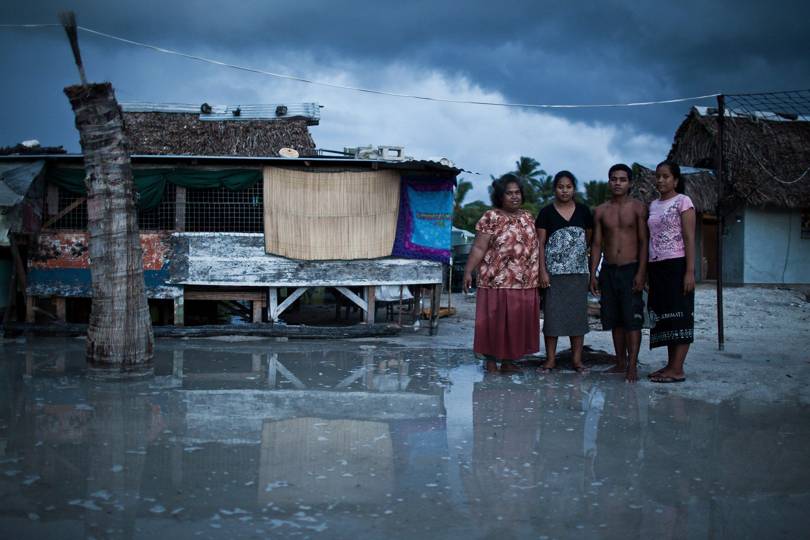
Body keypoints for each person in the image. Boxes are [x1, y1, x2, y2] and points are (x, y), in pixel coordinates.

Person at [463, 175, 540, 373]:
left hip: (525, 281)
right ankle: (491, 362)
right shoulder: (491, 217)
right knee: (494, 323)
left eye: (517, 193)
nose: (514, 197)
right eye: (509, 193)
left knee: (515, 323)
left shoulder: (528, 217)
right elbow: (479, 247)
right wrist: (468, 271)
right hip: (495, 280)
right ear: (500, 196)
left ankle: (508, 362)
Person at [590, 164, 648, 382]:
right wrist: (592, 273)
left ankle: (632, 365)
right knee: (614, 320)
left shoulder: (638, 208)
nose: (617, 183)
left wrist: (642, 272)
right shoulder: (601, 211)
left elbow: (644, 242)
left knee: (632, 319)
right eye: (614, 179)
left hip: (631, 268)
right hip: (609, 270)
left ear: (630, 183)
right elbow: (596, 244)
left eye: (622, 179)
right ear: (609, 181)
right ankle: (620, 362)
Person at [536, 171, 593, 373]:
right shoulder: (546, 213)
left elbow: (588, 240)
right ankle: (550, 359)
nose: (564, 190)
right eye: (561, 186)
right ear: (555, 189)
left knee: (577, 317)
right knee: (552, 317)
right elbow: (540, 244)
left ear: (574, 189)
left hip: (578, 274)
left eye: (568, 186)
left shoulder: (584, 211)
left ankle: (576, 360)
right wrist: (542, 271)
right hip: (553, 275)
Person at [646, 160, 696, 383]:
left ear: (675, 180)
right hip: (657, 266)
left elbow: (689, 238)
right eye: (658, 176)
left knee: (680, 315)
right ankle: (670, 366)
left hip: (677, 265)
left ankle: (678, 369)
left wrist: (690, 271)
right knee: (666, 317)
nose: (660, 180)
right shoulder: (653, 205)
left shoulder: (683, 202)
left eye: (666, 176)